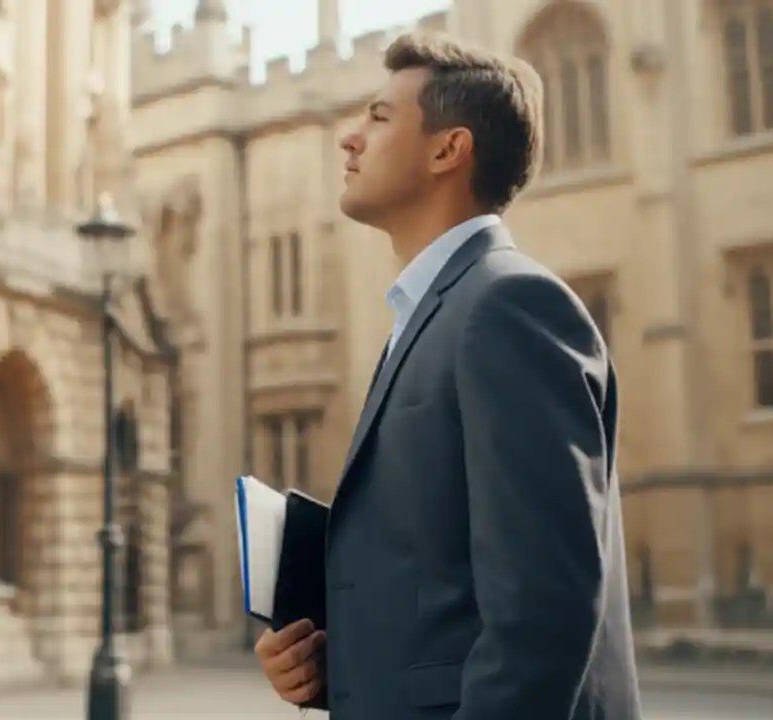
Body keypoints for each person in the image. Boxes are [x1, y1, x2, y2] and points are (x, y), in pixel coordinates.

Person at [253, 31, 643, 720]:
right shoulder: (438, 313)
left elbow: (541, 619)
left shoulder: (509, 306)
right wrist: (330, 666)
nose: (349, 138)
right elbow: (449, 606)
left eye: (378, 117)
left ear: (448, 149)